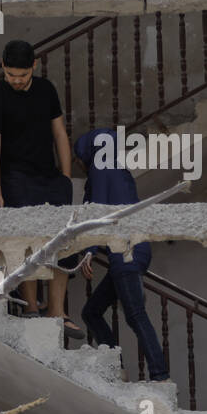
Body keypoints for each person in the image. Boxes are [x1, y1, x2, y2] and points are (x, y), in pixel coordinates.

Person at [0, 39, 83, 338]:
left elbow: (59, 134)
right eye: (11, 74)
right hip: (15, 177)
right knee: (29, 241)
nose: (16, 80)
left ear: (33, 67)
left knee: (65, 242)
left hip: (50, 177)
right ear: (3, 68)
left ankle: (58, 311)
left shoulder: (46, 90)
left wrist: (65, 176)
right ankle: (32, 307)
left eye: (22, 75)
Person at [73, 128, 169, 382]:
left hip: (125, 251)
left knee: (136, 314)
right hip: (132, 250)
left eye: (79, 157)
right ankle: (117, 367)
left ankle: (160, 375)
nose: (78, 163)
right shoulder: (119, 170)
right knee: (91, 311)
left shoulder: (101, 170)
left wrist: (90, 251)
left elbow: (99, 211)